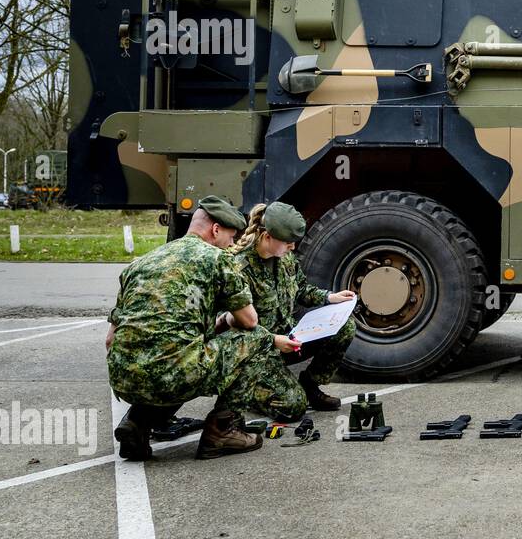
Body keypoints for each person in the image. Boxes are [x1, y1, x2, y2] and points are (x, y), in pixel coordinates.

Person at [106, 196, 298, 461]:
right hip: (175, 376)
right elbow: (249, 322)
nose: (232, 243)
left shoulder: (141, 263)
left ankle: (137, 422)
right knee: (254, 340)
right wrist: (236, 326)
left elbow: (110, 340)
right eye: (230, 236)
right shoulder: (217, 259)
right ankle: (223, 430)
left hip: (124, 380)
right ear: (216, 229)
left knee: (172, 352)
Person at [230, 201, 357, 419]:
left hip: (289, 340)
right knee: (293, 408)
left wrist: (329, 297)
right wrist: (273, 340)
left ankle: (310, 385)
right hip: (257, 351)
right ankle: (248, 391)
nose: (293, 247)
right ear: (267, 236)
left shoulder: (284, 258)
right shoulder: (239, 269)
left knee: (345, 326)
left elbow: (301, 290)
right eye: (288, 242)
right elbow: (236, 329)